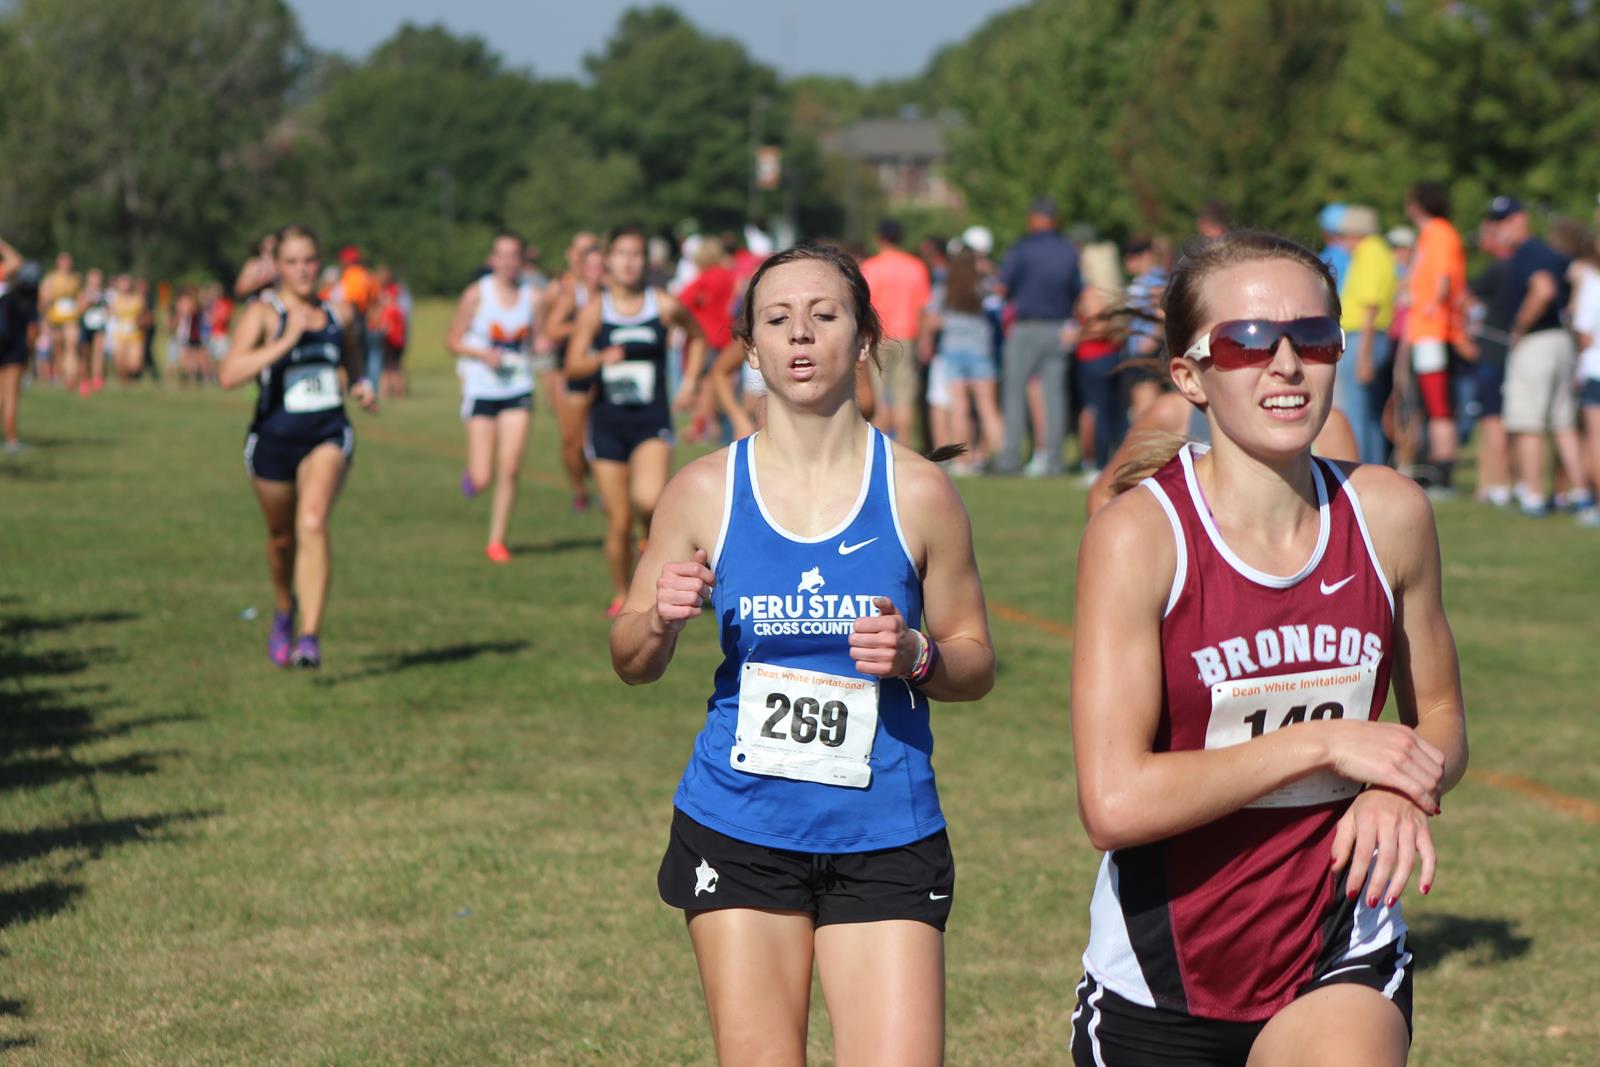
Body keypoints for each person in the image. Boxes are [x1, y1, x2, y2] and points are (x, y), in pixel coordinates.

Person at [1069, 230, 1467, 1066]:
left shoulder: (1390, 513)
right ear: (1191, 376)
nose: (1286, 363)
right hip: (1163, 972)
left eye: (1313, 338)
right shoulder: (1139, 537)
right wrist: (1323, 742)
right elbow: (1113, 801)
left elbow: (1441, 718)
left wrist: (1405, 787)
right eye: (1249, 342)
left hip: (1339, 945)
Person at [610, 243, 995, 1066]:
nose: (801, 336)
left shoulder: (919, 490)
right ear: (749, 346)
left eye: (825, 316)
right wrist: (660, 622)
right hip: (739, 821)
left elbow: (974, 660)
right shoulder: (704, 490)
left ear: (862, 339)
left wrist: (916, 655)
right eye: (777, 319)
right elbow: (629, 656)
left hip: (886, 828)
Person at [219, 224, 376, 668]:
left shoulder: (339, 312)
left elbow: (351, 356)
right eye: (292, 262)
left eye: (309, 260)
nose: (303, 270)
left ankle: (310, 637)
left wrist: (361, 383)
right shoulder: (265, 314)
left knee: (312, 522)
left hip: (328, 433)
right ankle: (284, 609)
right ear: (279, 267)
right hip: (273, 441)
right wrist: (288, 339)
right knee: (282, 538)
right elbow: (229, 374)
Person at [566, 225, 706, 616]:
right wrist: (600, 359)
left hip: (652, 420)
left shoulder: (662, 304)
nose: (629, 262)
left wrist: (691, 381)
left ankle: (650, 538)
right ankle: (622, 593)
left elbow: (697, 337)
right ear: (608, 261)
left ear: (646, 261)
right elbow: (573, 365)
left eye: (636, 254)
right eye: (622, 254)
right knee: (618, 518)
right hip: (608, 422)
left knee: (648, 498)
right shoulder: (596, 309)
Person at [446, 232, 541, 563]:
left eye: (514, 254)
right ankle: (473, 477)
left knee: (511, 466)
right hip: (482, 387)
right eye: (502, 254)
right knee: (483, 475)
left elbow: (538, 341)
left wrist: (546, 347)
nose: (508, 261)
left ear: (521, 259)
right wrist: (482, 354)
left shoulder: (533, 297)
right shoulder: (477, 294)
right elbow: (453, 340)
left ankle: (497, 540)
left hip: (518, 387)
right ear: (493, 259)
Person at [1492, 196, 1586, 516]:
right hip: (1561, 340)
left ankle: (1532, 495)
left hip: (1538, 341)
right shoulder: (1549, 251)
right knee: (1562, 423)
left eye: (1503, 221)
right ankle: (1581, 493)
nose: (1498, 229)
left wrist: (1519, 325)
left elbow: (1542, 289)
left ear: (1519, 220)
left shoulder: (1527, 252)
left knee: (1528, 421)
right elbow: (1578, 276)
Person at [996, 196, 1082, 475]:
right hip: (1058, 327)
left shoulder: (1023, 248)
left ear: (1035, 218)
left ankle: (1010, 457)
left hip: (1026, 326)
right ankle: (1054, 461)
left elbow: (1003, 286)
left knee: (1014, 392)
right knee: (1054, 395)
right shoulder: (1068, 251)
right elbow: (1076, 290)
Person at [1397, 183, 1470, 494]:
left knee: (1438, 403)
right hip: (1425, 331)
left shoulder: (1439, 232)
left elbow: (1443, 279)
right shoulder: (1431, 234)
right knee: (1427, 403)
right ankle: (1431, 464)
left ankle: (1443, 470)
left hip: (1433, 331)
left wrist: (1427, 309)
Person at [923, 242, 1003, 471]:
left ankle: (961, 460)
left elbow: (932, 316)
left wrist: (927, 341)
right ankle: (1002, 456)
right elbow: (999, 288)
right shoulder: (981, 284)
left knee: (960, 407)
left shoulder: (945, 286)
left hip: (952, 349)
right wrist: (986, 268)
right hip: (980, 349)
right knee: (988, 407)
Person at [1335, 206, 1399, 467]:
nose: (1341, 241)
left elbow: (1370, 306)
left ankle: (1356, 468)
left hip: (1364, 337)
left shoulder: (1369, 254)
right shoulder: (1379, 252)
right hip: (1372, 337)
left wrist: (1363, 357)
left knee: (1354, 411)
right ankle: (1373, 467)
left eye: (1344, 234)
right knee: (1369, 412)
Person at [545, 234, 603, 512]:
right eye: (591, 266)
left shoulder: (612, 296)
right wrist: (583, 327)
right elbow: (552, 329)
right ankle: (578, 487)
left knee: (603, 436)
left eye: (601, 266)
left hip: (605, 373)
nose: (596, 272)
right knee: (572, 440)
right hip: (575, 373)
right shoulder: (571, 295)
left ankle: (607, 487)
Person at [860, 218, 932, 443]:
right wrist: (925, 339)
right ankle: (904, 444)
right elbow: (923, 308)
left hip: (877, 336)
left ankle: (881, 447)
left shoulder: (870, 267)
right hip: (907, 335)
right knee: (903, 397)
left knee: (880, 396)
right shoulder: (915, 267)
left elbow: (863, 306)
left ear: (879, 237)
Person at [0, 239, 37, 452]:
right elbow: (17, 261)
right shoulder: (7, 285)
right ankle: (12, 440)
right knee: (11, 394)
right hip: (13, 345)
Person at [40, 252, 83, 391]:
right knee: (58, 349)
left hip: (70, 319)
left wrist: (79, 311)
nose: (66, 264)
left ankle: (71, 377)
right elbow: (43, 300)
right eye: (63, 262)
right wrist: (45, 319)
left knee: (71, 346)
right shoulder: (51, 279)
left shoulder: (75, 279)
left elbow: (80, 298)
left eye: (68, 262)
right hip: (55, 320)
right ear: (58, 263)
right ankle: (63, 375)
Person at [107, 273, 147, 384]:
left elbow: (145, 315)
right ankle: (125, 383)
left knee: (135, 365)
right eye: (122, 282)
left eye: (127, 282)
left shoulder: (138, 298)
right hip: (120, 334)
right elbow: (108, 314)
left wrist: (142, 322)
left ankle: (130, 378)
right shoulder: (114, 299)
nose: (125, 285)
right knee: (120, 362)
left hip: (135, 334)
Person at [78, 268, 110, 394]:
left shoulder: (104, 295)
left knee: (98, 351)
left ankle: (97, 377)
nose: (96, 280)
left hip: (99, 326)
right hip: (86, 326)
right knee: (85, 354)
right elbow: (79, 311)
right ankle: (84, 378)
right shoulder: (83, 293)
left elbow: (109, 310)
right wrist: (88, 303)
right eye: (94, 277)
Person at [235, 234, 279, 300]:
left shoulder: (284, 264)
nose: (273, 245)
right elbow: (239, 291)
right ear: (261, 247)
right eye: (270, 243)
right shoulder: (254, 265)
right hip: (258, 304)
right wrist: (263, 281)